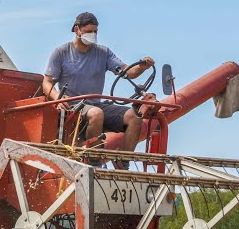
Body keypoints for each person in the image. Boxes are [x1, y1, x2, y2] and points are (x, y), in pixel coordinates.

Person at [42, 12, 156, 168]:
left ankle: (124, 163)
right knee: (96, 113)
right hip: (73, 105)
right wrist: (58, 99)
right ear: (77, 30)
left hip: (95, 104)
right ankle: (94, 162)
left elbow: (128, 72)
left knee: (134, 117)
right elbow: (47, 82)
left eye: (95, 31)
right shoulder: (61, 53)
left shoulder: (103, 53)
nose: (93, 35)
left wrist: (142, 67)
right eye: (89, 31)